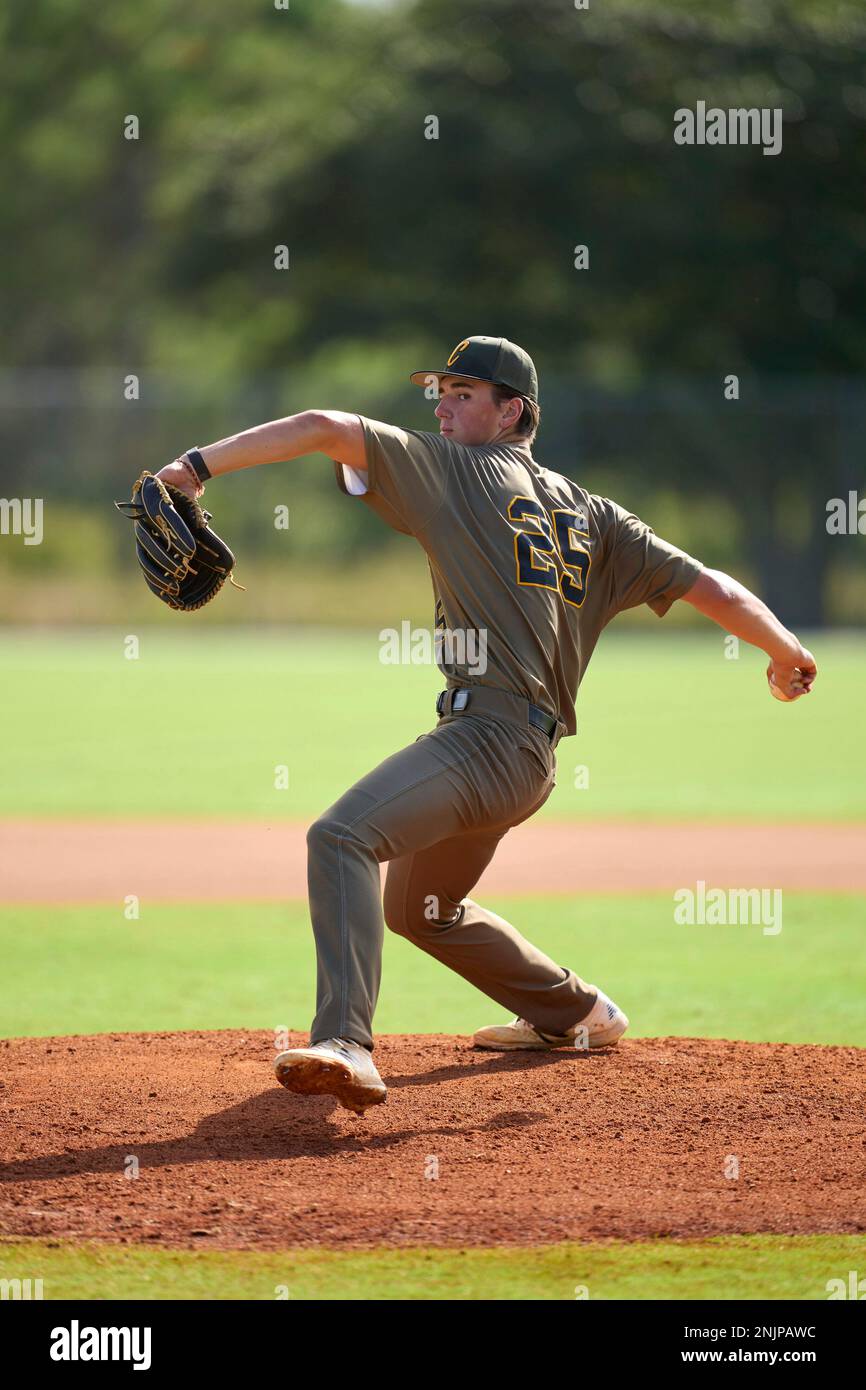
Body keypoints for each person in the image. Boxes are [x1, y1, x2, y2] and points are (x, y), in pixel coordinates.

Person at [158, 335, 817, 1116]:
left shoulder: (455, 469)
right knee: (420, 910)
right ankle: (576, 1011)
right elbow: (712, 586)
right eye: (440, 391)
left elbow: (322, 426)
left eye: (463, 394)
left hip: (484, 743)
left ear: (512, 412)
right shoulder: (598, 516)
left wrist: (193, 468)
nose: (441, 407)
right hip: (531, 761)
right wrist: (785, 650)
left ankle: (345, 1043)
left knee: (339, 839)